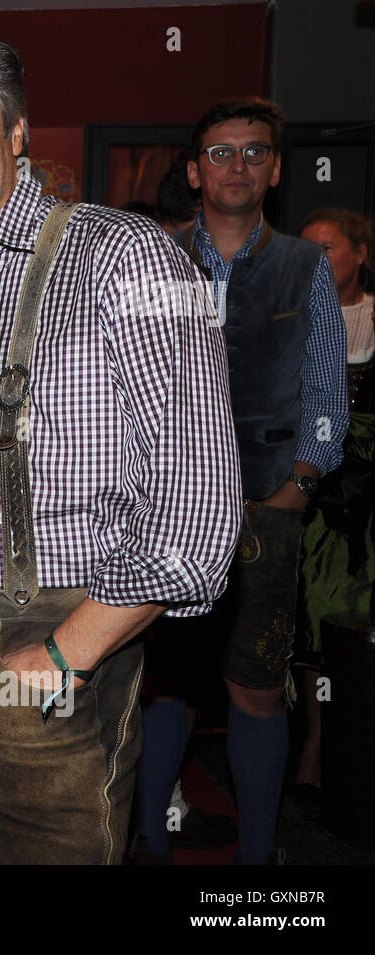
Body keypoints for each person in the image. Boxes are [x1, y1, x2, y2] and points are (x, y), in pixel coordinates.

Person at [0, 26, 242, 864]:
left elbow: (196, 518)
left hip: (45, 652)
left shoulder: (127, 257)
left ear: (15, 133)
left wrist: (61, 655)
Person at [138, 99, 349, 865]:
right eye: (220, 153)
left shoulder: (305, 264)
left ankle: (258, 865)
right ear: (194, 171)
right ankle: (149, 845)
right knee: (164, 686)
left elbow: (327, 397)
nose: (238, 166)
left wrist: (298, 484)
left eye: (254, 152)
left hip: (268, 511)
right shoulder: (153, 257)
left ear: (277, 168)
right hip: (161, 512)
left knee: (256, 689)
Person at [294, 208, 374, 798]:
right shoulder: (293, 318)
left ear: (361, 254)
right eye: (307, 251)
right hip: (314, 496)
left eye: (327, 249)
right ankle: (317, 740)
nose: (315, 261)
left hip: (370, 505)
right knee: (310, 623)